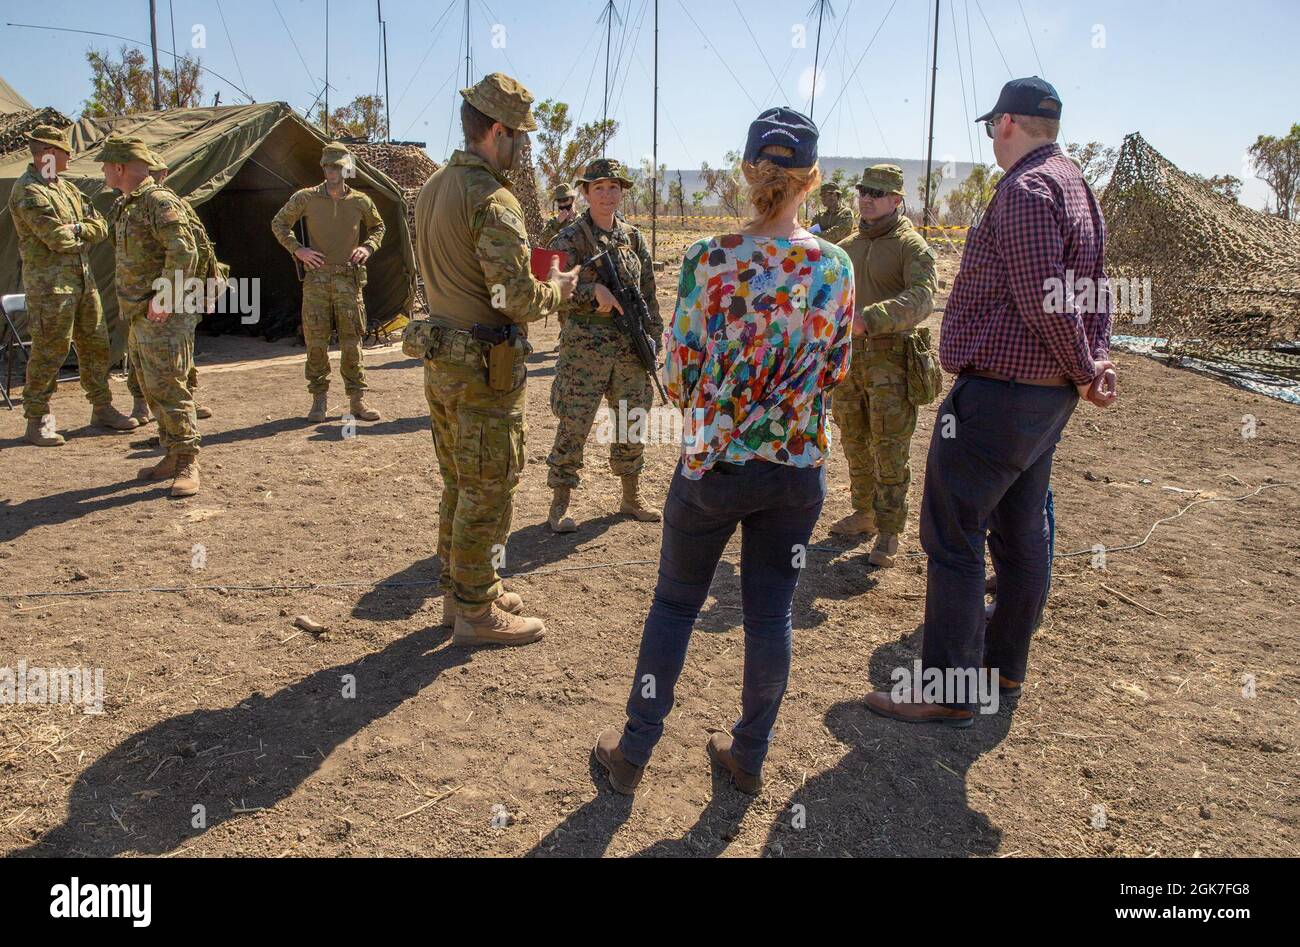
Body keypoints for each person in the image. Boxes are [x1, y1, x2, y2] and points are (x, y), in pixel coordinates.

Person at [593, 107, 855, 795]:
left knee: (676, 605)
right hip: (796, 470)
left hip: (713, 466)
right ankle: (749, 756)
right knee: (771, 612)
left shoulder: (710, 257)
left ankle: (632, 752)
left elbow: (677, 377)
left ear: (748, 172)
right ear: (813, 179)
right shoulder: (835, 265)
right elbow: (837, 368)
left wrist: (722, 398)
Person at [864, 77, 1116, 727]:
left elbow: (1043, 298)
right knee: (1022, 529)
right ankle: (1003, 665)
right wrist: (1095, 361)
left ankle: (949, 688)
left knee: (954, 535)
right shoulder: (1077, 186)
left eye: (990, 129)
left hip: (1001, 396)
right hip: (1044, 399)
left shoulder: (1029, 189)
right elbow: (1093, 291)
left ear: (1007, 123)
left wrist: (1088, 365)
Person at [412, 72, 579, 647]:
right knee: (489, 483)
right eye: (521, 138)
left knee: (460, 480)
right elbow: (514, 299)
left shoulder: (435, 187)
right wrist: (560, 288)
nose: (524, 149)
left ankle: (460, 591)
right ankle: (476, 614)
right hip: (484, 365)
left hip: (443, 357)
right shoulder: (493, 199)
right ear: (498, 131)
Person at [544, 158, 663, 533]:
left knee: (631, 420)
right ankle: (559, 503)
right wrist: (589, 291)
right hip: (585, 347)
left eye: (614, 188)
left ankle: (631, 497)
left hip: (629, 345)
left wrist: (653, 335)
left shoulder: (633, 237)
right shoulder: (568, 238)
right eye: (599, 188)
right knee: (575, 422)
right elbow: (545, 286)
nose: (608, 195)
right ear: (585, 193)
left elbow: (648, 292)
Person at [828, 164, 938, 568]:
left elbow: (923, 298)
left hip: (891, 363)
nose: (868, 198)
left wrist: (869, 318)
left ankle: (890, 531)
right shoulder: (847, 247)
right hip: (849, 362)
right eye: (863, 190)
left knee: (890, 447)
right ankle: (864, 513)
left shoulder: (912, 246)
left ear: (897, 200)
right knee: (854, 440)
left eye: (878, 192)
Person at [9, 124, 136, 446]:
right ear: (49, 154)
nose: (70, 158)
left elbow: (100, 226)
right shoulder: (28, 191)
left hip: (83, 281)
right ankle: (38, 420)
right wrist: (78, 232)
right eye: (67, 152)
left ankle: (102, 408)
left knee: (96, 346)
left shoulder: (66, 189)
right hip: (50, 288)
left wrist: (76, 228)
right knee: (49, 352)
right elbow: (57, 238)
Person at [98, 135, 201, 498]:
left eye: (106, 165)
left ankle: (188, 462)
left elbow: (183, 252)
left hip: (163, 313)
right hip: (140, 312)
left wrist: (165, 296)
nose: (104, 171)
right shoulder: (127, 204)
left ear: (120, 167)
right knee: (150, 386)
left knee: (170, 387)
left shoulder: (157, 200)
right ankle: (171, 454)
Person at [271, 142, 385, 423]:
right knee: (316, 341)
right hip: (317, 279)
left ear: (346, 169)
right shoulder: (305, 198)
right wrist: (298, 250)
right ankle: (319, 400)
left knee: (351, 341)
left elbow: (378, 226)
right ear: (322, 168)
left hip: (349, 277)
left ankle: (357, 400)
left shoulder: (360, 201)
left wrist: (368, 247)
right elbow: (279, 224)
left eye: (337, 166)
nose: (331, 171)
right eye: (327, 166)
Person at [123, 150, 213, 425]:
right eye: (153, 172)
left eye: (160, 172)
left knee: (181, 353)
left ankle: (185, 401)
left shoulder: (174, 205)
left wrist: (209, 282)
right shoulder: (135, 205)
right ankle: (141, 404)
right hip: (147, 294)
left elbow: (200, 246)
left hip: (182, 290)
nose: (158, 176)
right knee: (141, 352)